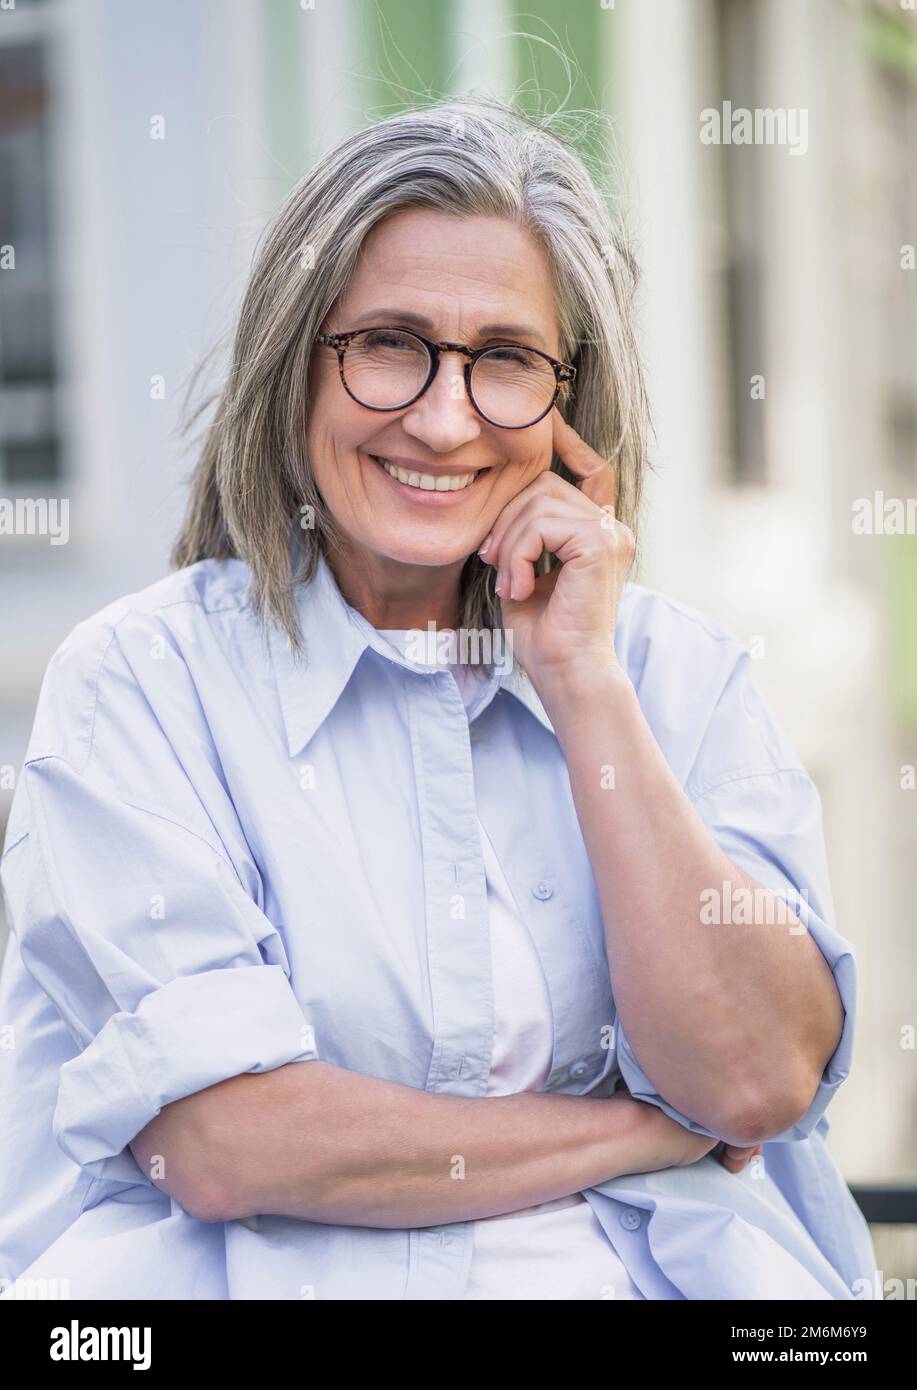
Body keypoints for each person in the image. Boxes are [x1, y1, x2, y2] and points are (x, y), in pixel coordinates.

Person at [0, 95, 877, 1300]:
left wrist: (580, 680)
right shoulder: (143, 687)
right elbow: (224, 1141)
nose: (445, 414)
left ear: (572, 409)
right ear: (294, 364)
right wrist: (639, 1130)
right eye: (388, 343)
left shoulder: (677, 677)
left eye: (506, 358)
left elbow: (753, 1079)